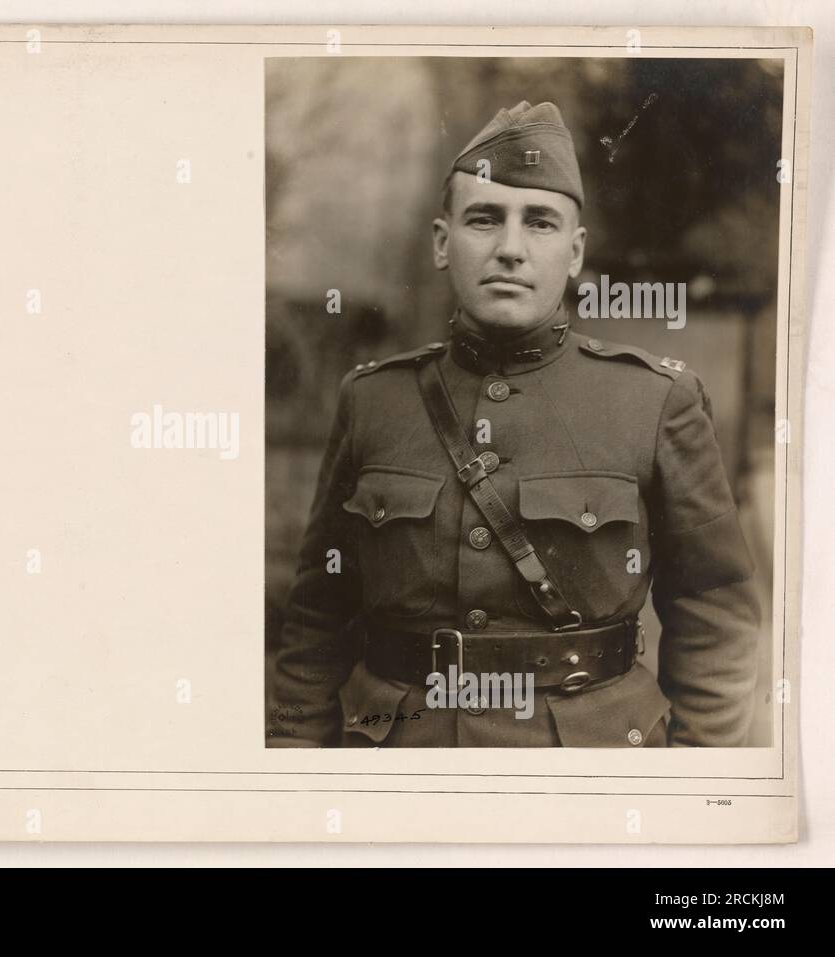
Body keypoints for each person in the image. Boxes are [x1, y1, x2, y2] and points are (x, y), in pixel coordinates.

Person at [267, 101, 760, 748]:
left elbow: (714, 614)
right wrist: (296, 768)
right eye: (484, 218)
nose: (510, 248)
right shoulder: (372, 401)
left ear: (576, 251)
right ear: (443, 243)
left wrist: (695, 791)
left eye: (541, 223)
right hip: (398, 765)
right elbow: (317, 617)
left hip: (588, 769)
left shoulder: (655, 402)